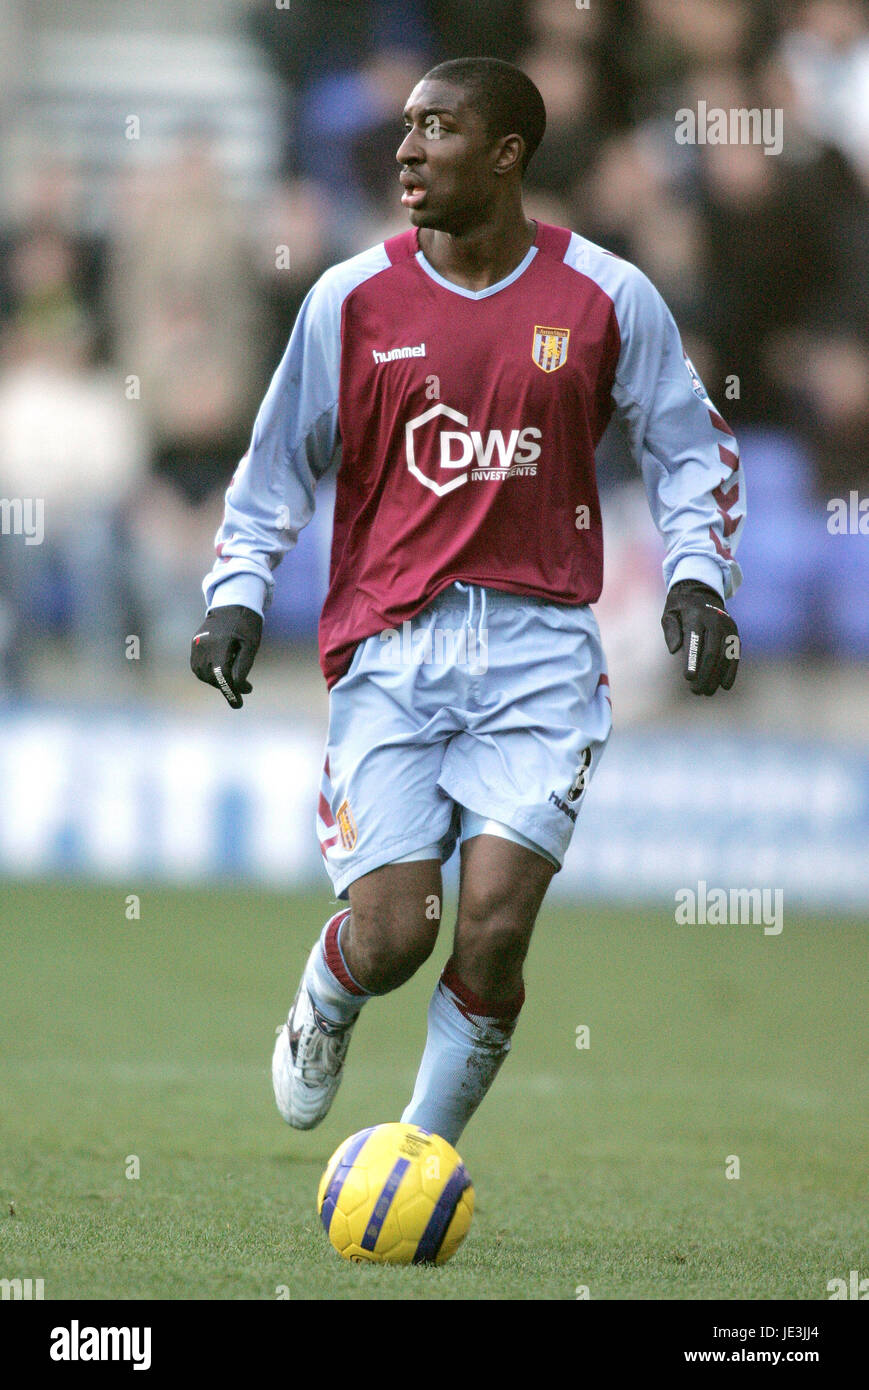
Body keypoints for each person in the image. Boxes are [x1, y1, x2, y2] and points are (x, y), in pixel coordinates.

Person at [191, 57, 744, 1148]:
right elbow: (271, 469)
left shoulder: (603, 296)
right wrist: (237, 592)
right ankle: (330, 993)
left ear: (506, 155)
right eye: (405, 127)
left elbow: (690, 454)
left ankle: (416, 1155)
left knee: (491, 928)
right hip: (389, 648)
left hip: (541, 653)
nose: (405, 149)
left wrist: (696, 579)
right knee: (396, 932)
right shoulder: (349, 300)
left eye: (437, 129)